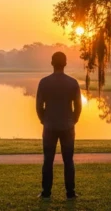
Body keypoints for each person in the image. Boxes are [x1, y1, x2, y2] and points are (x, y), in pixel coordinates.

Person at [36, 51, 82, 200]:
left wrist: (44, 120)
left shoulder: (44, 82)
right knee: (68, 161)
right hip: (67, 126)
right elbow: (78, 106)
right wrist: (73, 120)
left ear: (51, 63)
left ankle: (46, 193)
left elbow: (38, 106)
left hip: (49, 126)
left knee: (47, 160)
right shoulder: (72, 82)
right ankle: (70, 192)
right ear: (65, 64)